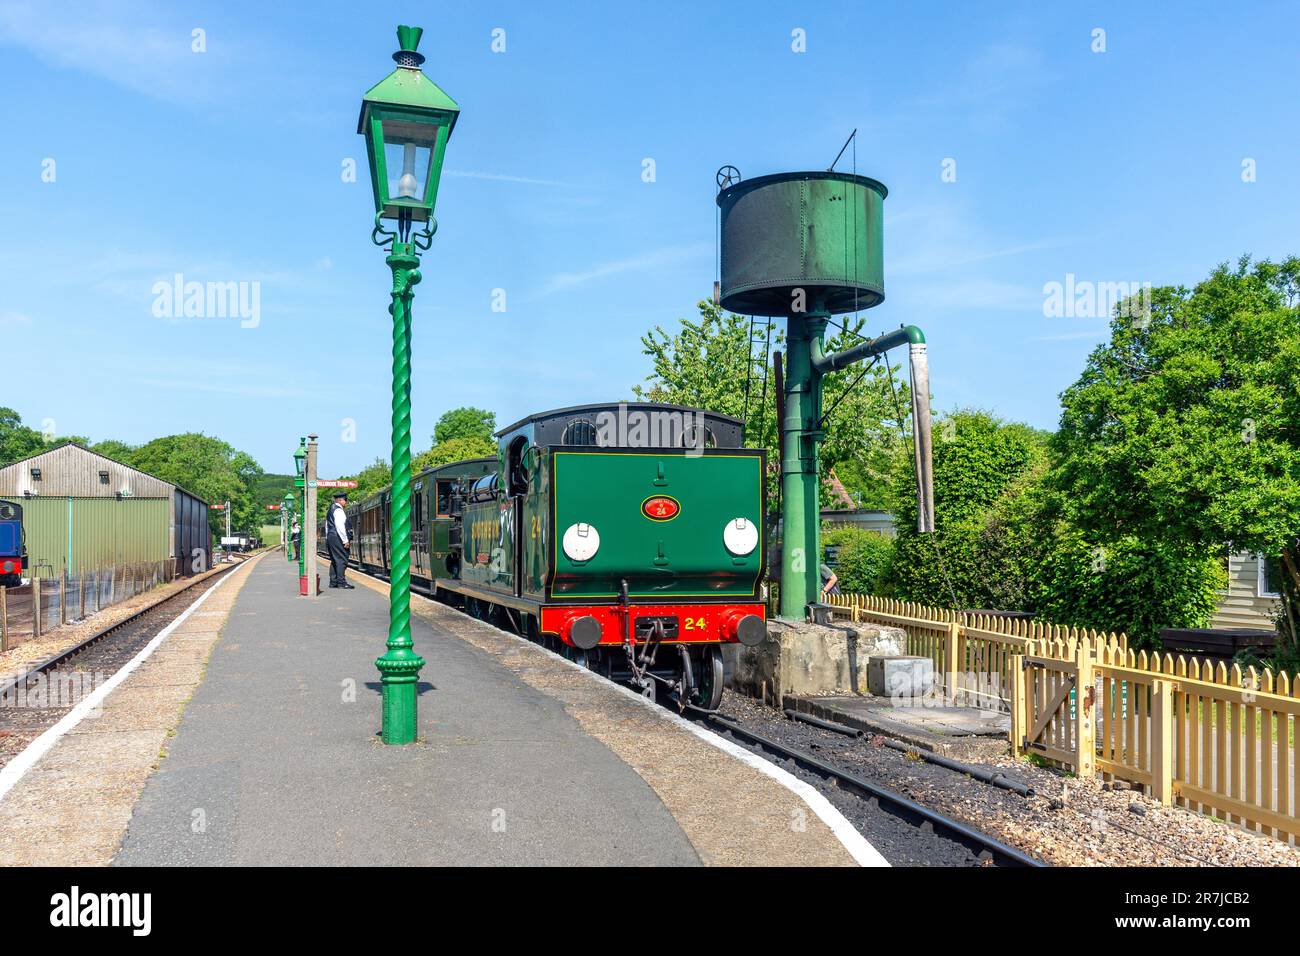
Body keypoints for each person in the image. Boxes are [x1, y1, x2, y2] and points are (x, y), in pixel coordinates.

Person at [326, 491, 354, 589]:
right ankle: (341, 582)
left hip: (331, 536)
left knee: (334, 560)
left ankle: (333, 582)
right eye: (345, 500)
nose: (346, 502)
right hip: (337, 536)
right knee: (342, 559)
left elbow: (327, 527)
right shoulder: (338, 510)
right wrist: (345, 540)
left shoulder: (331, 509)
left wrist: (328, 538)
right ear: (340, 500)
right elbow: (340, 526)